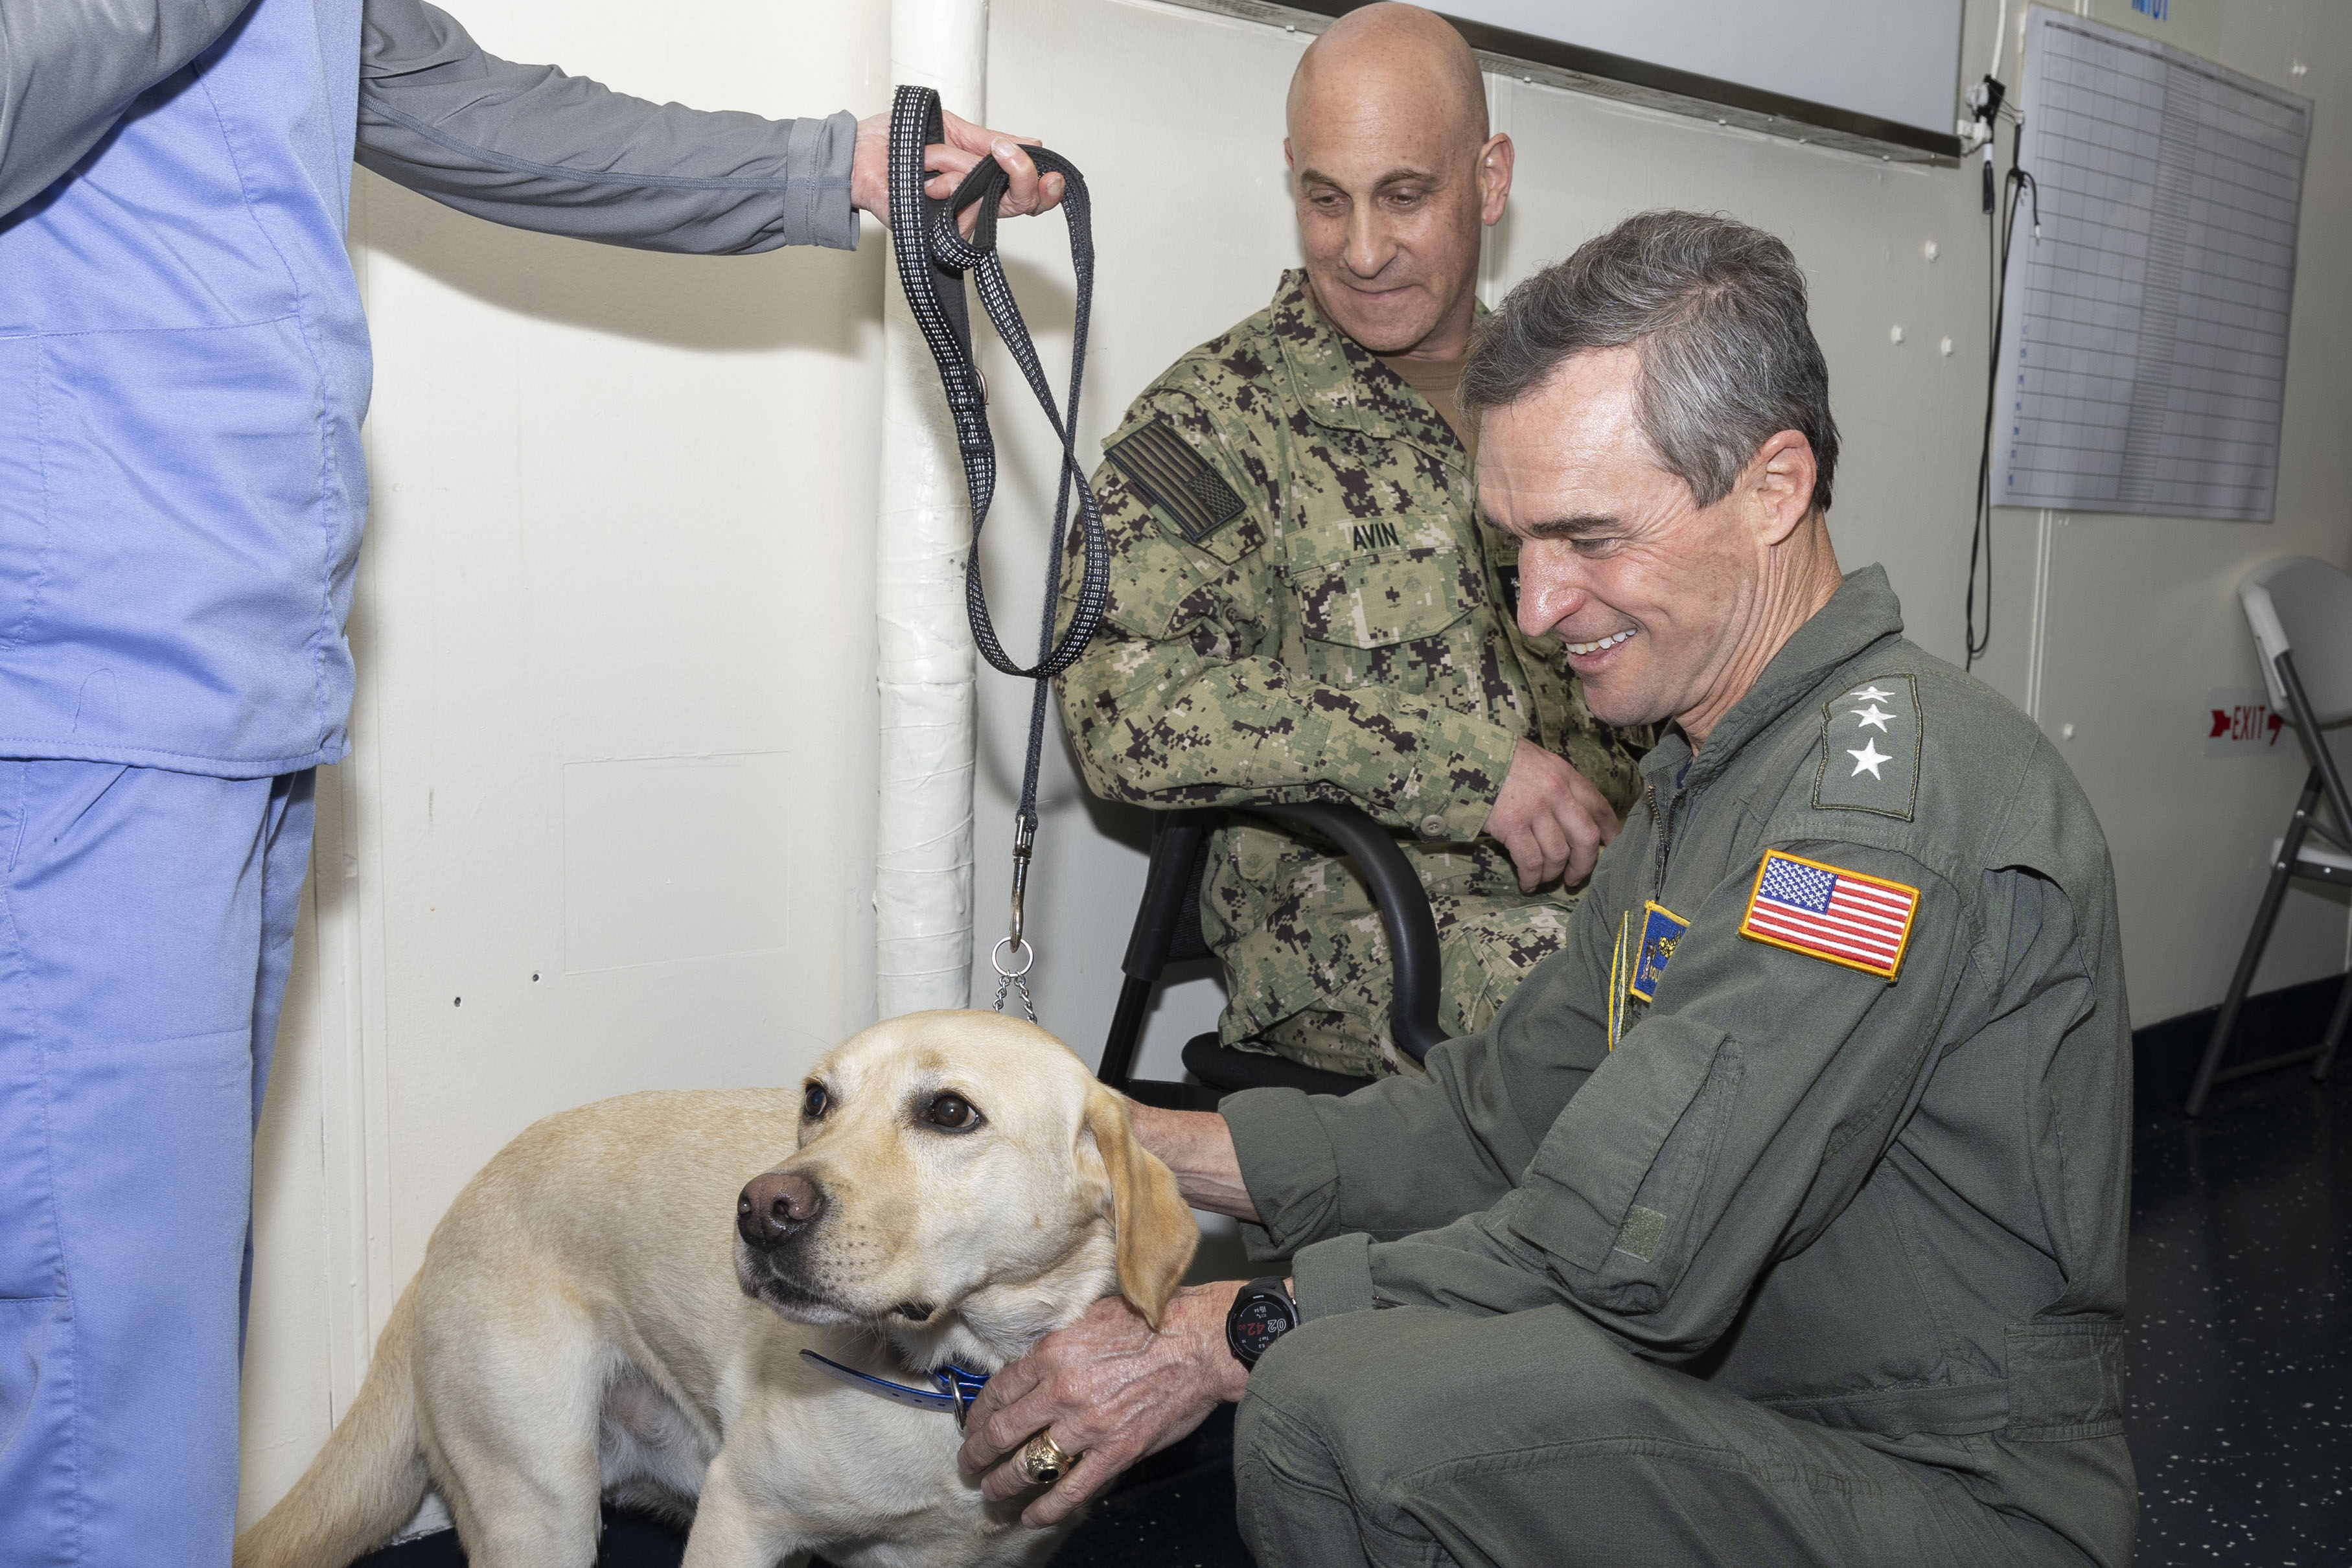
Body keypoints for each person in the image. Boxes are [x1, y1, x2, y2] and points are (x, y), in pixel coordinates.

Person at [0, 3, 1061, 1560]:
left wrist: (831, 165)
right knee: (95, 1361)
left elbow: (455, 101)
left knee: (140, 1326)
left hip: (231, 664)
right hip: (79, 658)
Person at [962, 211, 2136, 1568]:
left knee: (1341, 1402)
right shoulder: (1714, 764)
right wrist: (1129, 1143)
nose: (1535, 608)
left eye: (1587, 538)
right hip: (1754, 1422)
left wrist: (1224, 1327)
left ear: (1773, 487)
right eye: (1514, 544)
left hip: (1945, 1495)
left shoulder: (1869, 812)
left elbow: (1618, 1251)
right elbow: (1494, 1117)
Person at [1054, 3, 1648, 1083]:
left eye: (1405, 196)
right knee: (1659, 1011)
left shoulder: (1571, 400)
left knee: (1851, 948)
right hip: (1366, 938)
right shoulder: (1219, 425)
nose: (1361, 250)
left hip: (1619, 886)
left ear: (1490, 179)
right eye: (1325, 200)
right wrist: (1467, 769)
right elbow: (1119, 711)